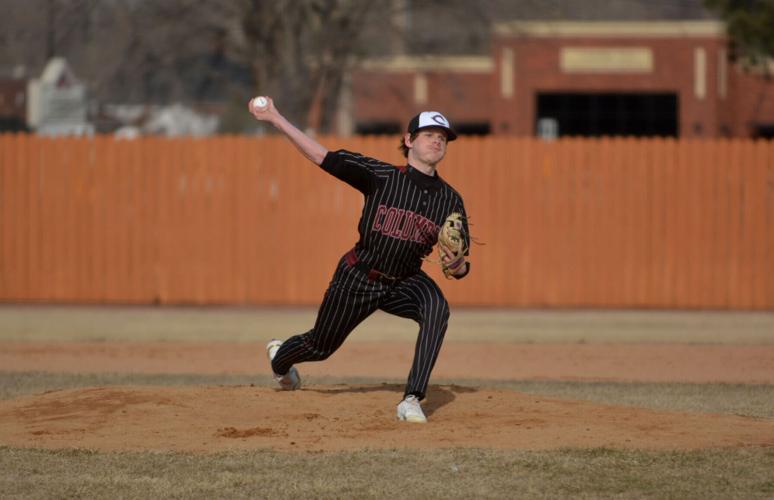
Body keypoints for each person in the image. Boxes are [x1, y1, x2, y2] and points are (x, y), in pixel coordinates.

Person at [248, 97, 471, 423]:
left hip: (405, 280)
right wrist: (276, 117)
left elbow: (461, 267)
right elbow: (323, 157)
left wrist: (457, 264)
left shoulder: (451, 200)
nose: (437, 140)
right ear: (409, 141)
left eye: (443, 137)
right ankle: (279, 359)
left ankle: (411, 399)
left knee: (437, 308)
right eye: (429, 134)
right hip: (359, 276)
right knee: (319, 347)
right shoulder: (381, 176)